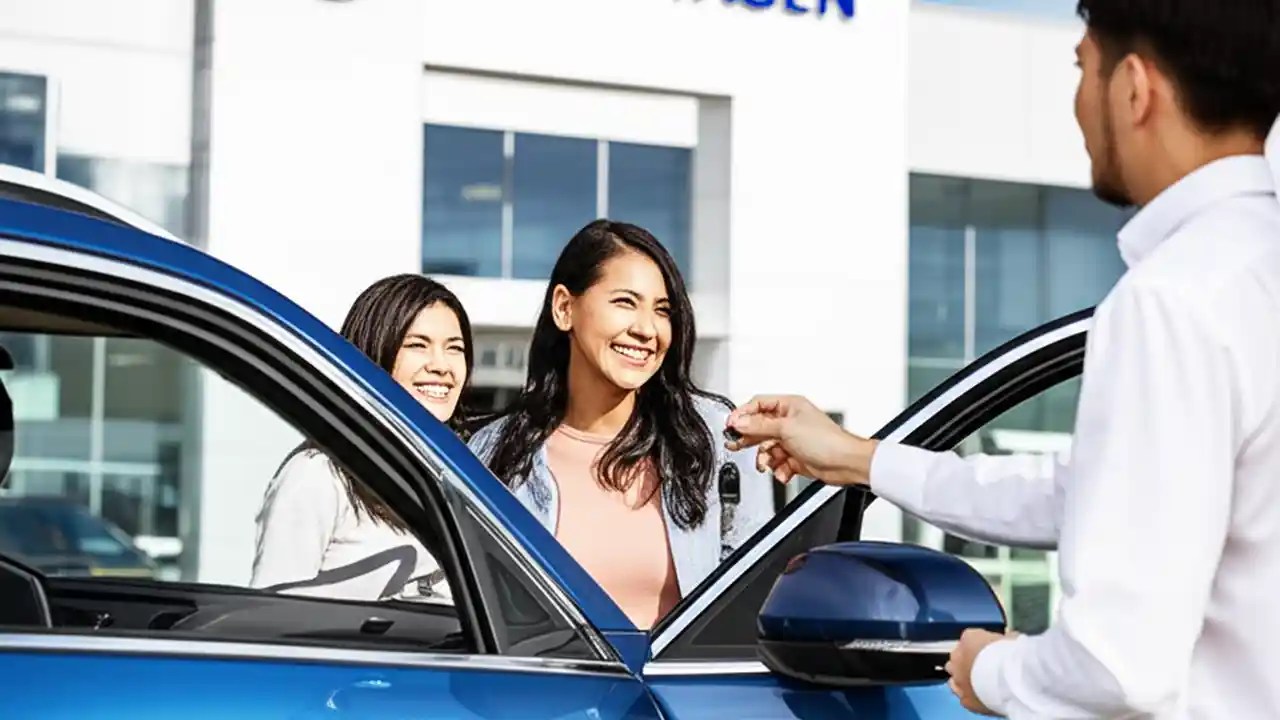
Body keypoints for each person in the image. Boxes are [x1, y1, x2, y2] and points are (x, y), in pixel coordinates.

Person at [727, 2, 1280, 717]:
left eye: (1082, 69)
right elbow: (1087, 492)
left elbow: (1118, 665)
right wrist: (858, 458)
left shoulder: (1171, 299)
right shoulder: (1249, 275)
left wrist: (988, 668)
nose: (1078, 105)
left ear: (1133, 89)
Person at [468, 219, 772, 630]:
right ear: (564, 308)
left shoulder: (717, 442)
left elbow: (752, 601)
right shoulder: (493, 453)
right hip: (547, 672)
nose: (647, 329)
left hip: (673, 675)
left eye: (662, 310)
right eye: (626, 302)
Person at [250, 274, 474, 602]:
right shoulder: (319, 474)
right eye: (418, 345)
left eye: (454, 348)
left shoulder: (457, 476)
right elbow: (268, 616)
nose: (442, 366)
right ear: (372, 355)